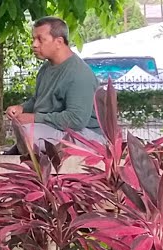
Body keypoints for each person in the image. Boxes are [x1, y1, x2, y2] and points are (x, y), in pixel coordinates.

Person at [6, 17, 103, 151]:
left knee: (29, 132)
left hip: (87, 136)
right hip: (57, 130)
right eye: (33, 39)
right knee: (23, 127)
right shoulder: (45, 69)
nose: (34, 44)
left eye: (40, 39)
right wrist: (21, 108)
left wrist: (35, 118)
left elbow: (76, 120)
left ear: (59, 42)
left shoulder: (79, 74)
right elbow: (39, 100)